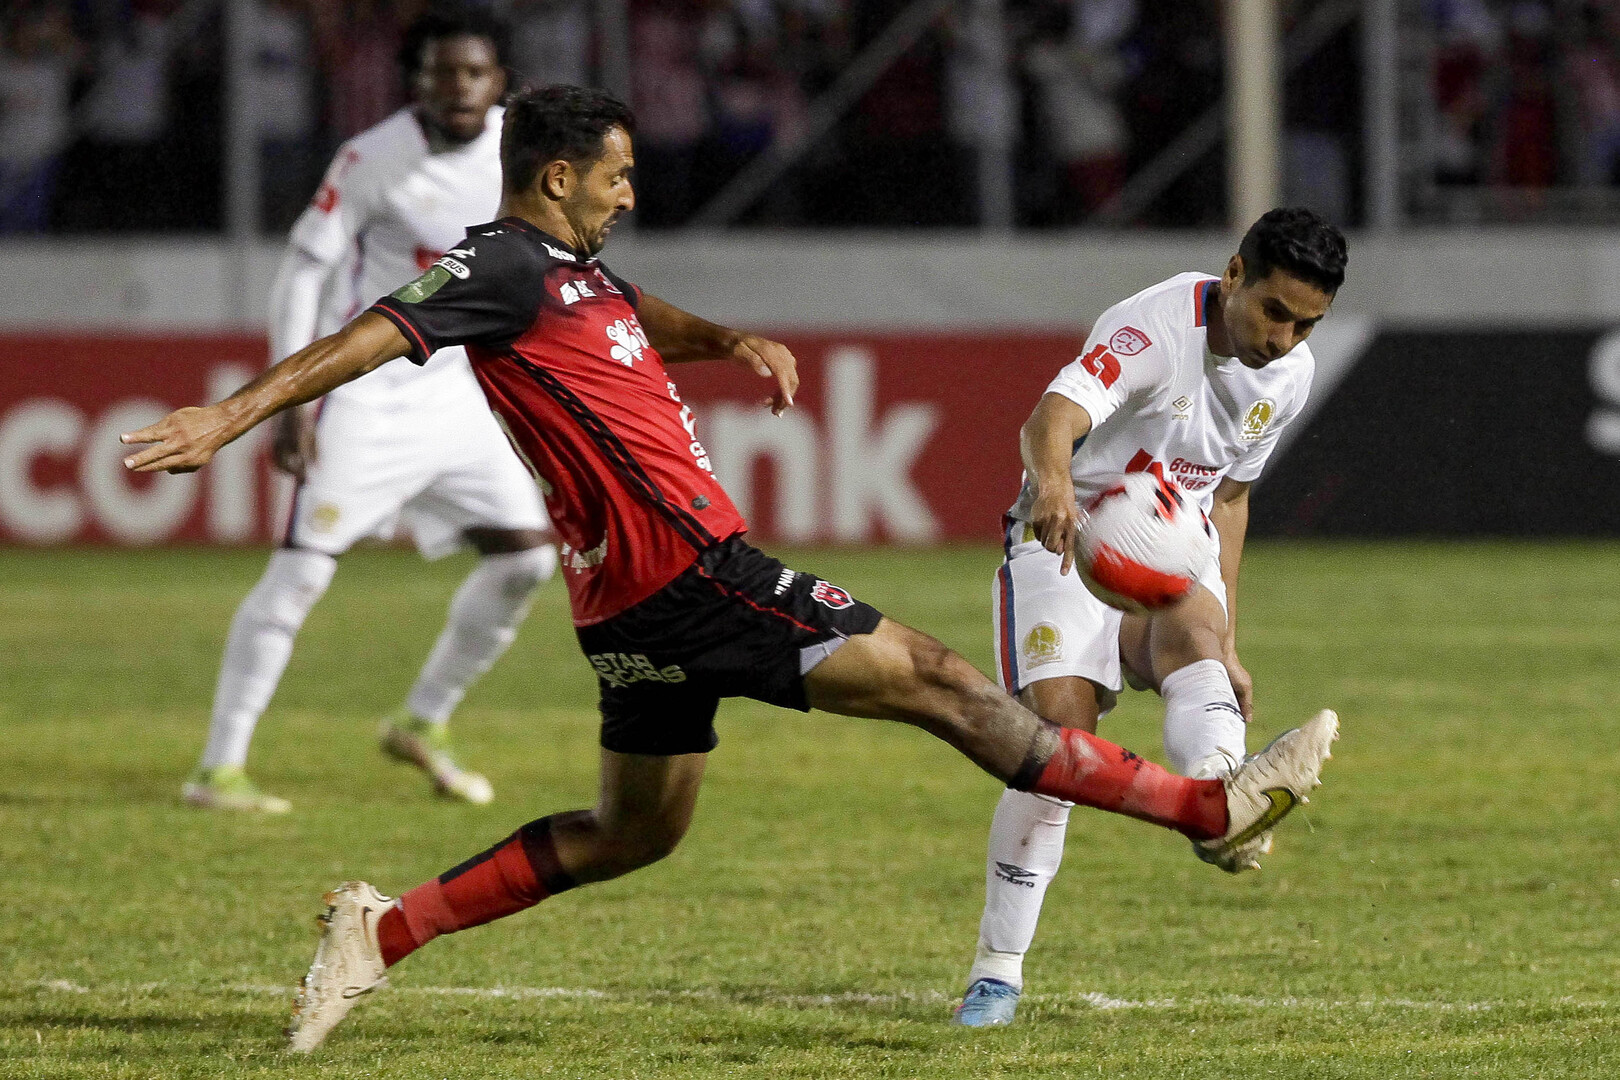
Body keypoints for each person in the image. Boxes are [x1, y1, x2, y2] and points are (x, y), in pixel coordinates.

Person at [119, 86, 1337, 1052]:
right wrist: (228, 418)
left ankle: (380, 935)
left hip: (619, 607)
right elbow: (375, 331)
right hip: (694, 570)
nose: (630, 193)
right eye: (616, 176)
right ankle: (1208, 805)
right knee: (951, 688)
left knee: (631, 832)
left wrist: (731, 340)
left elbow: (636, 313)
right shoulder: (495, 267)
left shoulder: (572, 276)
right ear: (557, 177)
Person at [952, 206, 1349, 1028]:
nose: (1284, 340)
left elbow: (1231, 498)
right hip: (1067, 539)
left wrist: (1230, 636)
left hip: (1177, 541)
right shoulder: (1152, 326)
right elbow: (1050, 417)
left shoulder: (1290, 374)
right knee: (1054, 748)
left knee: (1201, 646)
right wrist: (1056, 483)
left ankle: (1222, 805)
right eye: (1275, 312)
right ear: (1234, 273)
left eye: (1307, 325)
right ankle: (998, 972)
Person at [180, 6, 556, 814]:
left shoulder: (519, 150)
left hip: (455, 394)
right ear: (414, 81)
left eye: (474, 73)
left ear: (499, 82)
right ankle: (219, 768)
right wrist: (290, 402)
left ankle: (423, 720)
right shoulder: (373, 158)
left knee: (527, 558)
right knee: (301, 576)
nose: (457, 87)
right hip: (367, 394)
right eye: (440, 73)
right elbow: (303, 270)